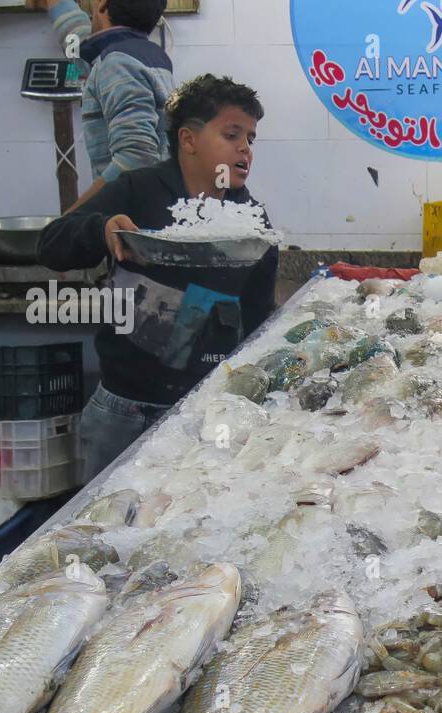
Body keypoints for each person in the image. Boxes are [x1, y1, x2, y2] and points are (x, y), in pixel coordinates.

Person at [37, 75, 280, 480]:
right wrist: (100, 228)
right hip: (122, 409)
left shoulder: (250, 219)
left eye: (250, 139)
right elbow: (50, 245)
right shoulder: (139, 189)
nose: (244, 149)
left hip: (203, 411)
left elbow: (258, 316)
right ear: (188, 140)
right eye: (231, 134)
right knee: (105, 526)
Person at [41, 0, 175, 212]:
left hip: (136, 222)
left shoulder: (117, 64)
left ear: (103, 1)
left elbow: (136, 157)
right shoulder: (137, 54)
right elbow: (76, 32)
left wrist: (75, 215)